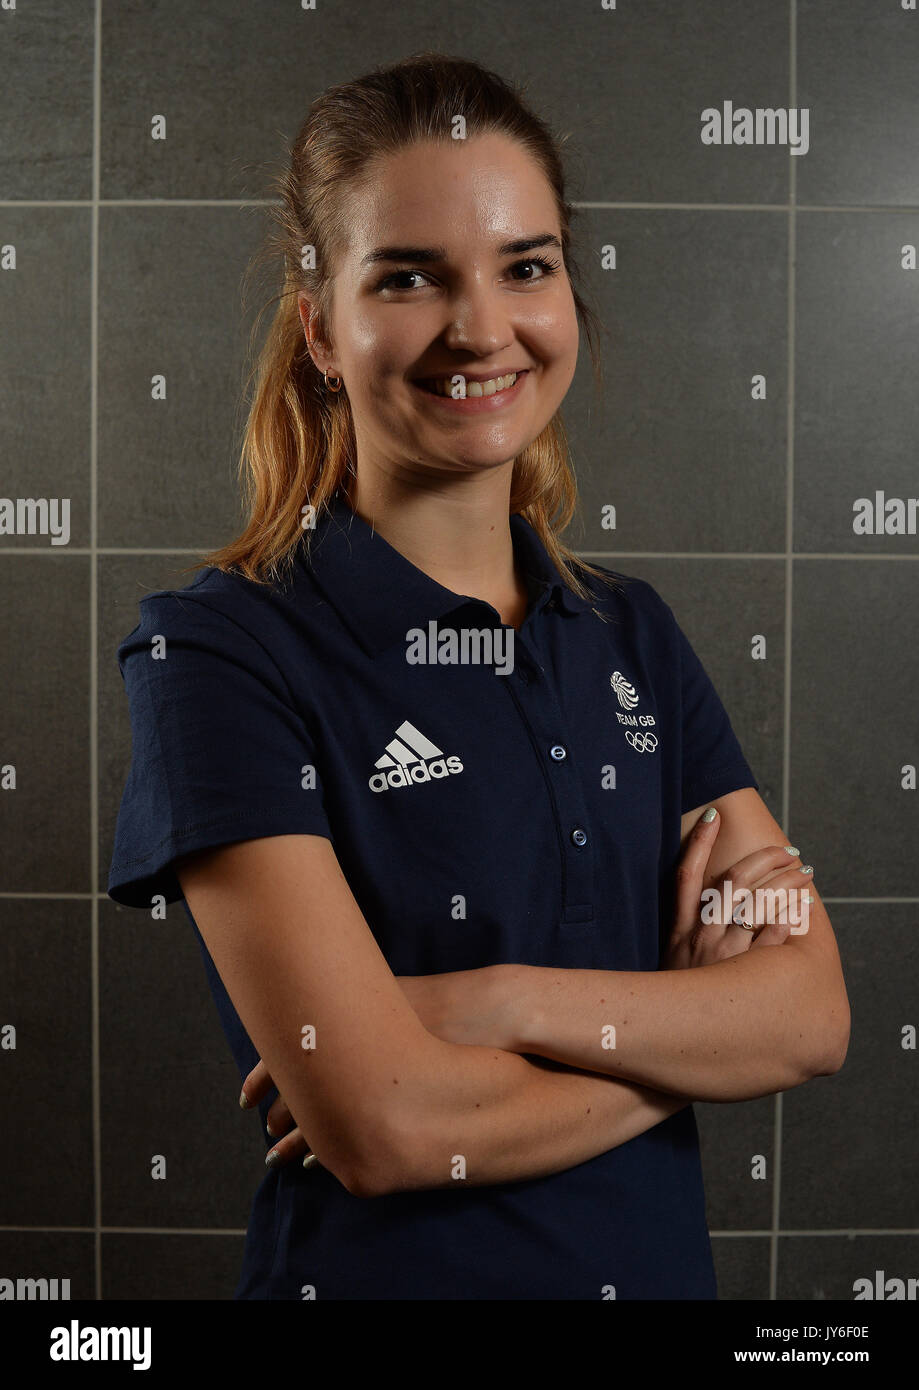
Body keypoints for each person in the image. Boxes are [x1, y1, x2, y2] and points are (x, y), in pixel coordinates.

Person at [107, 52, 849, 1300]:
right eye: (408, 277)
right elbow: (389, 1127)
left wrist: (488, 1002)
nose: (481, 328)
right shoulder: (218, 652)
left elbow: (810, 1009)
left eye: (526, 266)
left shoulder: (632, 636)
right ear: (319, 330)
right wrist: (687, 1027)